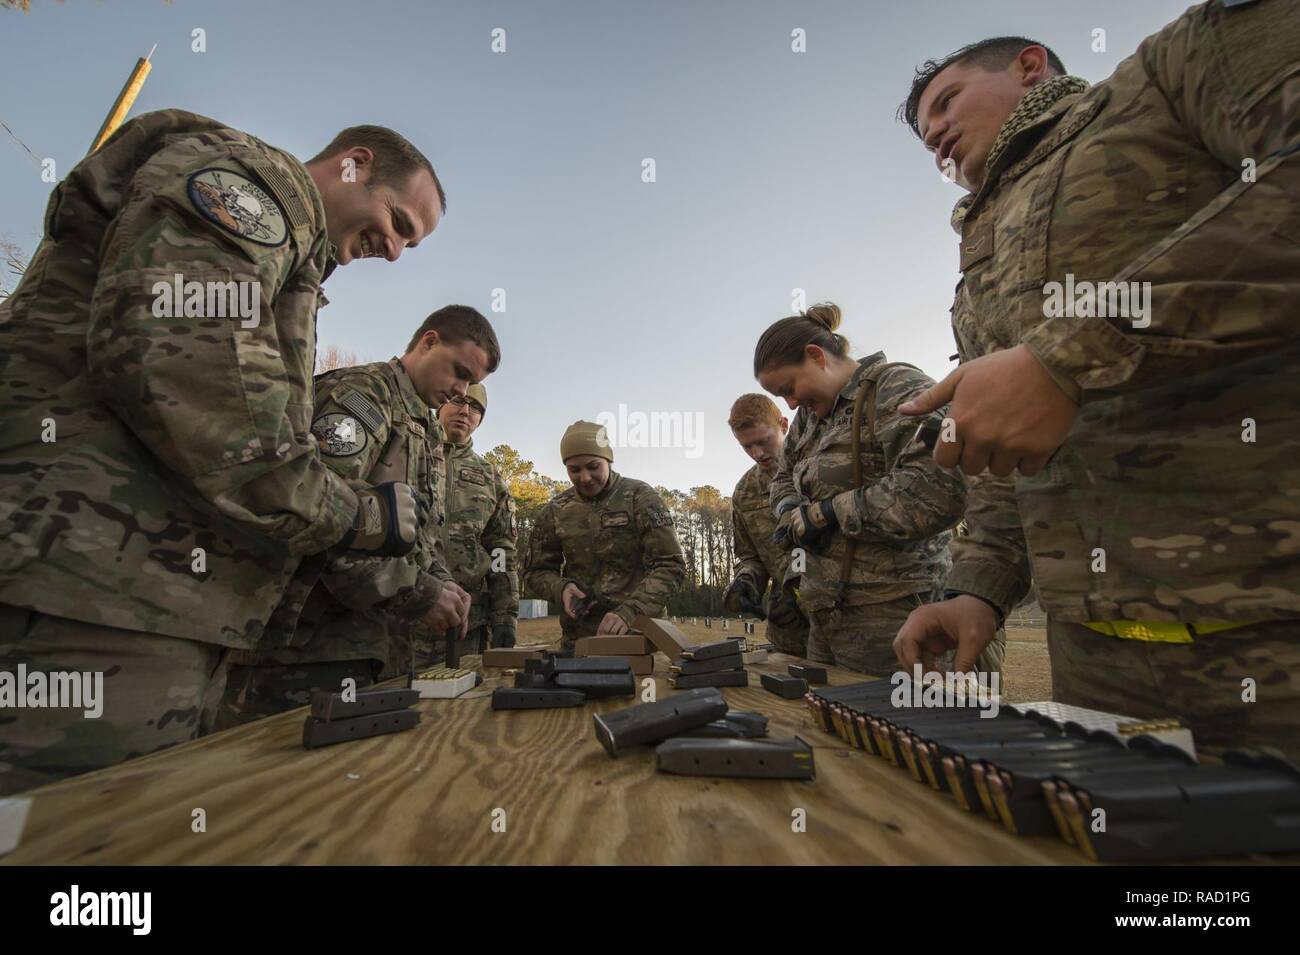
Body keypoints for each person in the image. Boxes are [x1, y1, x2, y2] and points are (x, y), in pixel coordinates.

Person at [892, 2, 1300, 760]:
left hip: (1273, 622)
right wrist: (978, 585)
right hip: (1098, 655)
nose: (937, 134)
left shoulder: (1168, 74)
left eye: (946, 102)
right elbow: (1006, 445)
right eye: (925, 137)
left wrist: (1069, 355)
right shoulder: (975, 255)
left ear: (1030, 64)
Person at [0, 113, 443, 793]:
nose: (395, 251)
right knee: (74, 841)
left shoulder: (293, 252)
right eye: (400, 223)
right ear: (355, 164)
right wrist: (357, 514)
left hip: (128, 598)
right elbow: (195, 373)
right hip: (84, 599)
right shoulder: (256, 186)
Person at [217, 306, 500, 726]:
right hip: (307, 651)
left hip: (372, 645)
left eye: (471, 383)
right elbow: (318, 519)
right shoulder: (361, 397)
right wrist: (420, 593)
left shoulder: (423, 427)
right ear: (429, 341)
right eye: (458, 372)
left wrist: (442, 581)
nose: (461, 392)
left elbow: (418, 532)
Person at [757, 303, 998, 676]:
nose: (789, 403)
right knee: (828, 728)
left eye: (789, 388)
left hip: (897, 615)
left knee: (905, 728)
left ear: (816, 356)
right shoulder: (807, 420)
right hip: (825, 619)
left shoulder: (895, 388)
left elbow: (938, 490)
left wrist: (828, 513)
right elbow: (783, 476)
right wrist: (790, 509)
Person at [523, 421, 685, 649]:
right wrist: (562, 588)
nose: (585, 478)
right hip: (580, 640)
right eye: (575, 470)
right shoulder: (556, 510)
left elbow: (671, 566)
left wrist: (630, 611)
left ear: (608, 460)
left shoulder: (640, 497)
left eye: (593, 466)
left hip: (640, 635)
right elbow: (535, 573)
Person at [723, 394, 809, 656]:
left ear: (783, 425)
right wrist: (746, 582)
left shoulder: (818, 467)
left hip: (844, 617)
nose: (757, 454)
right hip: (789, 629)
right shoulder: (746, 492)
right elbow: (750, 556)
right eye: (747, 447)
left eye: (763, 442)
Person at [435, 384, 519, 655]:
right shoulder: (405, 454)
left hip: (464, 623)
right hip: (399, 620)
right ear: (440, 403)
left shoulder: (490, 478)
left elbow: (500, 551)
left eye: (476, 408)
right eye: (458, 400)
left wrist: (505, 617)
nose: (465, 411)